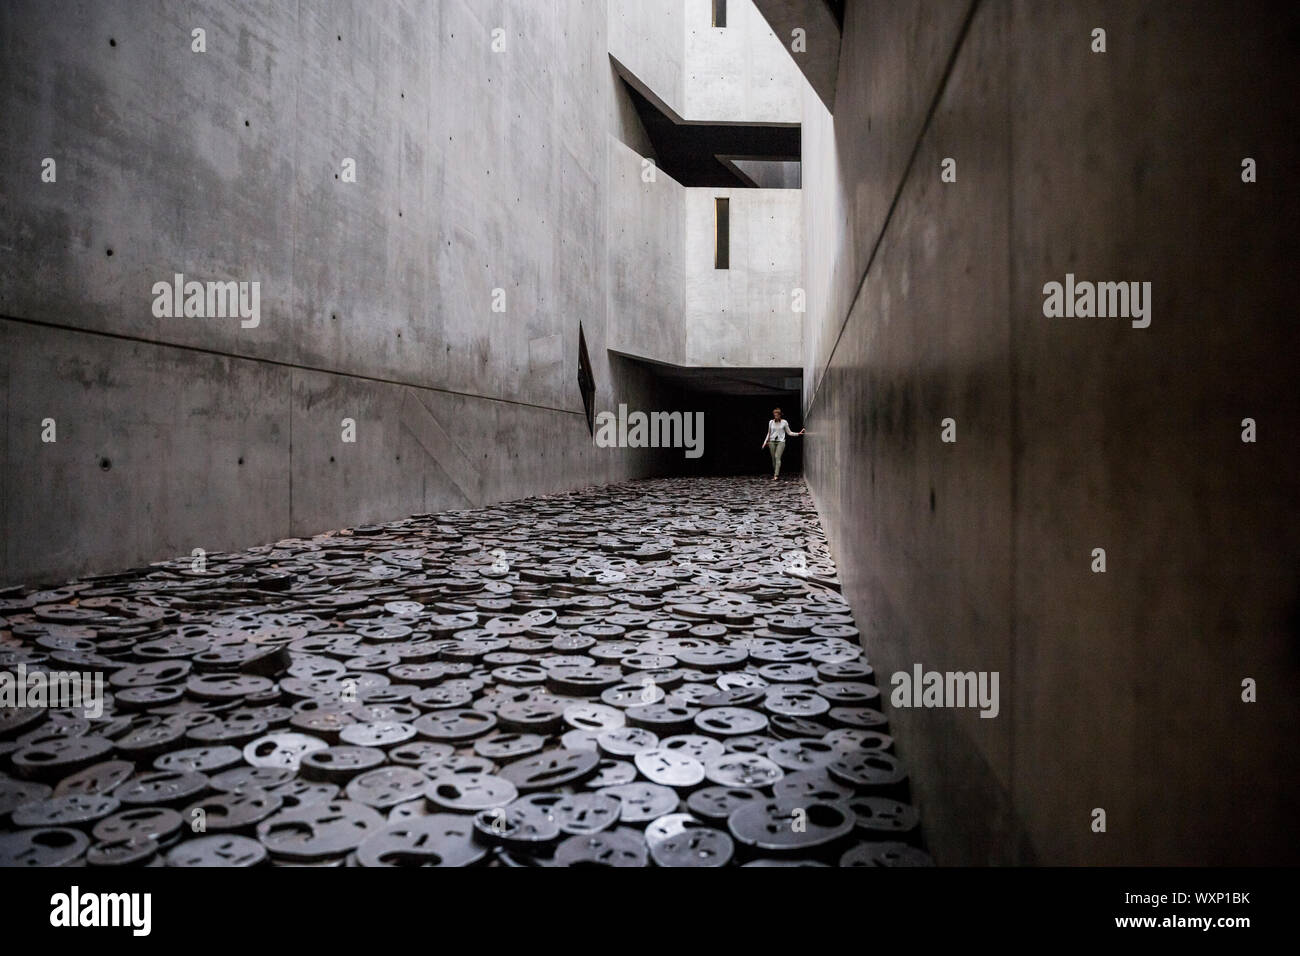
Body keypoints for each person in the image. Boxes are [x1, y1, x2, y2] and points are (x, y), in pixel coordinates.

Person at [761, 407, 804, 480]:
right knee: (773, 459)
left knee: (777, 456)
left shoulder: (784, 422)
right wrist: (765, 442)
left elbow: (789, 432)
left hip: (781, 442)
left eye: (777, 415)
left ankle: (776, 475)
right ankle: (776, 472)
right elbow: (769, 433)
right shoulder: (771, 422)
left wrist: (798, 434)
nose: (776, 416)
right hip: (771, 442)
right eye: (774, 415)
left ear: (780, 415)